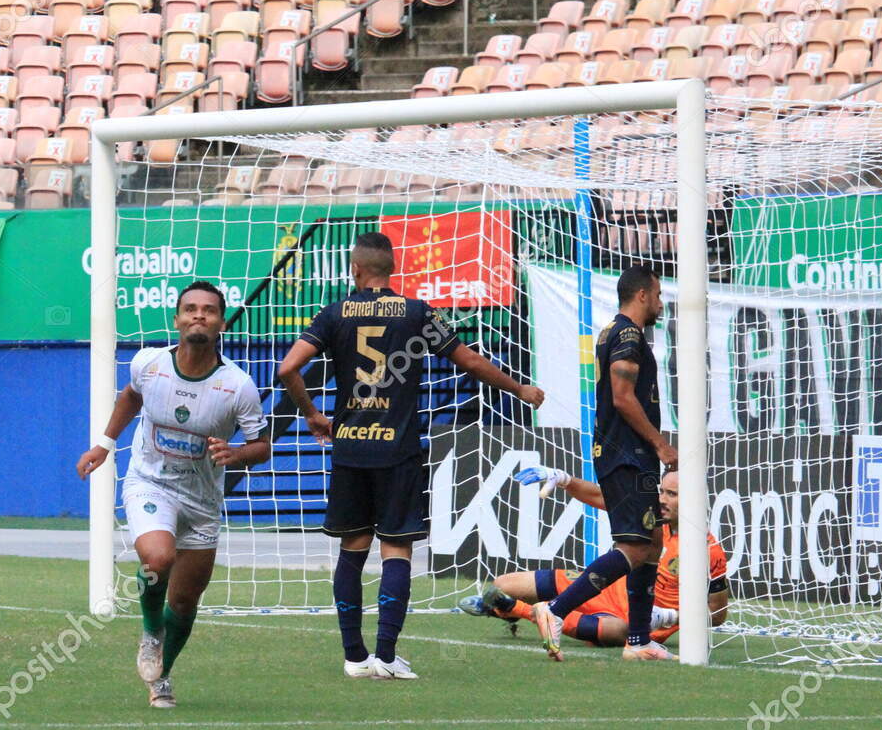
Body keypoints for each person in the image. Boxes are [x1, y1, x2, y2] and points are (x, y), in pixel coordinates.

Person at [276, 231, 544, 680]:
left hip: (350, 449)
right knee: (396, 550)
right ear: (392, 269)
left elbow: (286, 368)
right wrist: (520, 388)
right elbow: (471, 362)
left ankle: (354, 657)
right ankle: (386, 655)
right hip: (397, 450)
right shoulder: (416, 312)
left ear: (355, 270)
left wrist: (312, 415)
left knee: (352, 549)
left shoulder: (334, 313)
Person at [78, 281, 270, 708]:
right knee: (158, 558)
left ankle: (162, 674)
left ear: (221, 322)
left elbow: (263, 446)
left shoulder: (237, 386)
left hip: (201, 502)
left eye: (208, 310)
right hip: (150, 483)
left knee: (184, 600)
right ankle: (150, 632)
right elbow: (130, 398)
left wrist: (235, 452)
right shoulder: (150, 364)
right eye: (190, 309)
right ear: (178, 319)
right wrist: (104, 446)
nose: (198, 315)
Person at [533, 264, 674, 660]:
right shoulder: (627, 334)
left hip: (626, 453)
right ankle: (555, 610)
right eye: (659, 295)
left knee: (652, 541)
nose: (661, 303)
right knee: (632, 547)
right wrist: (661, 445)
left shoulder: (614, 332)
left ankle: (639, 640)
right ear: (642, 294)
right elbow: (623, 397)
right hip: (627, 454)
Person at [459, 468, 728, 658]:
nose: (661, 499)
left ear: (693, 499)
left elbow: (717, 614)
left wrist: (671, 617)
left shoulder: (708, 551)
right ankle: (508, 607)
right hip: (605, 587)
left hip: (638, 619)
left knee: (618, 630)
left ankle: (521, 611)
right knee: (503, 583)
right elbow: (602, 497)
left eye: (672, 494)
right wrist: (563, 479)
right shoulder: (650, 518)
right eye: (661, 491)